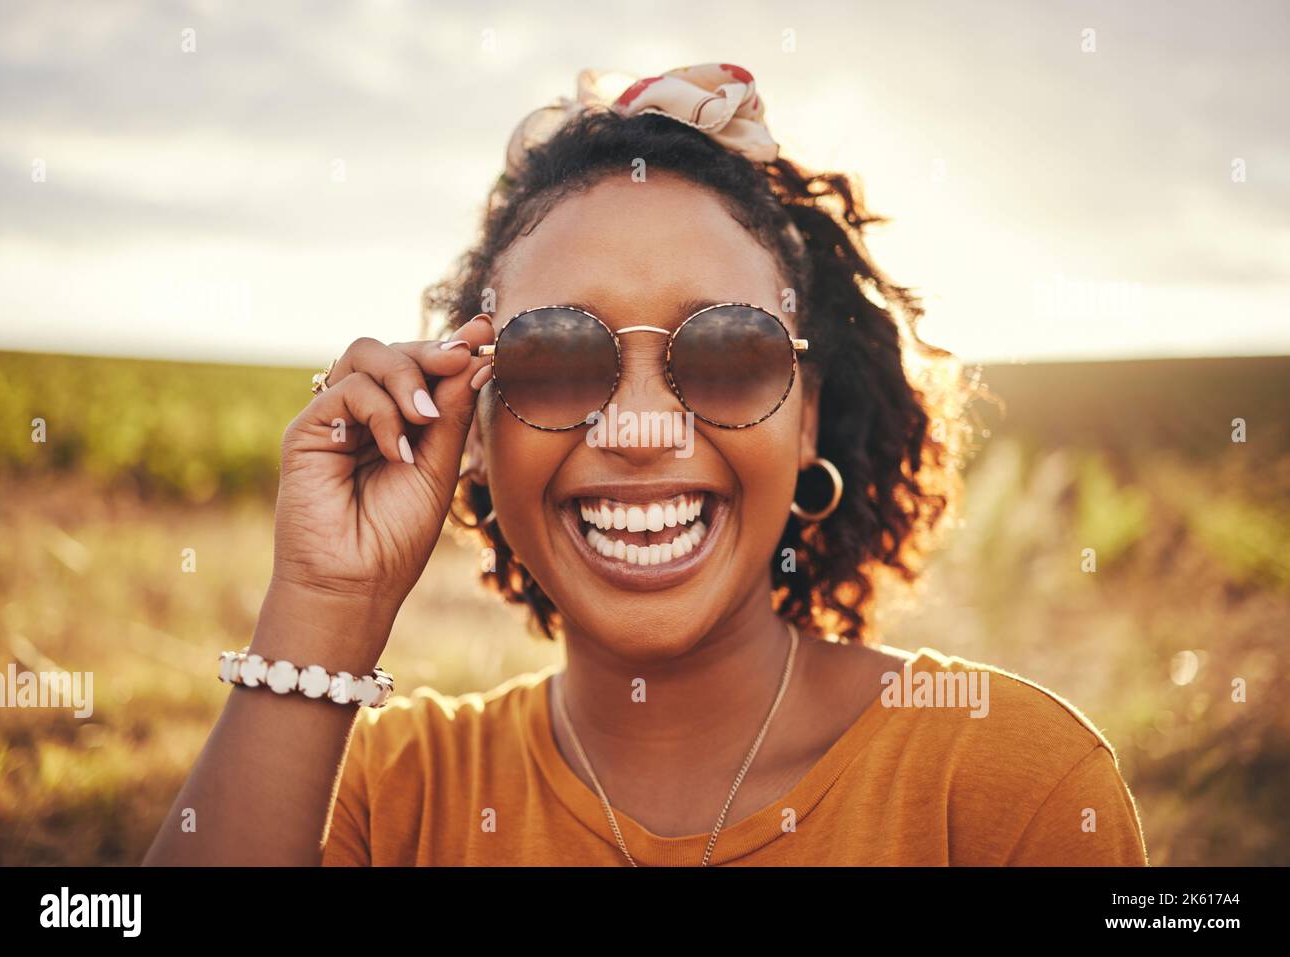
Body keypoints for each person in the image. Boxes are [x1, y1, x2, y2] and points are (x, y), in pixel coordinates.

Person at [144, 64, 1148, 867]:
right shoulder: (384, 793)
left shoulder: (1005, 783)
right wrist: (327, 602)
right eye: (550, 356)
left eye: (725, 351)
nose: (638, 428)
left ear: (808, 423)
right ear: (474, 437)